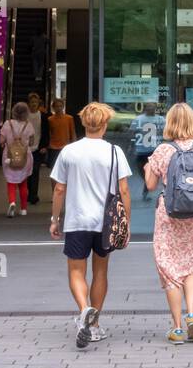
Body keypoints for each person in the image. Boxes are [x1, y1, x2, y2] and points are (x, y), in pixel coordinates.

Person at [48, 102, 131, 348]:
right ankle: (94, 325)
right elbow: (124, 190)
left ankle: (84, 310)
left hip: (77, 221)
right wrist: (125, 223)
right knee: (101, 271)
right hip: (104, 223)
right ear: (105, 124)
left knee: (76, 271)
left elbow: (59, 189)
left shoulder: (69, 152)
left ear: (83, 122)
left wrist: (55, 219)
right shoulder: (115, 152)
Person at [144, 102, 193, 344]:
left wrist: (148, 166)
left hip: (170, 213)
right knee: (190, 264)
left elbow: (150, 185)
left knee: (169, 268)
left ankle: (177, 328)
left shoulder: (163, 151)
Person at [0, 101, 36, 218]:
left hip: (9, 157)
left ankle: (12, 202)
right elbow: (31, 142)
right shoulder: (28, 125)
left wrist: (5, 142)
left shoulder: (7, 123)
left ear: (14, 112)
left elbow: (1, 140)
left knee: (11, 182)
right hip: (24, 157)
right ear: (26, 113)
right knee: (23, 183)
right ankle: (24, 209)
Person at [130, 102, 164, 201]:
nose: (151, 109)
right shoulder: (139, 119)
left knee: (150, 172)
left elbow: (166, 132)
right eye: (149, 107)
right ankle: (147, 185)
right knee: (143, 172)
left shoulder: (160, 120)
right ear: (145, 108)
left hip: (153, 151)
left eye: (153, 107)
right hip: (141, 151)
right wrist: (131, 146)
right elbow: (132, 133)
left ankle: (146, 190)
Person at [44, 97, 76, 177]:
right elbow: (48, 134)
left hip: (65, 147)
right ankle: (54, 188)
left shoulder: (69, 118)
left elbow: (73, 133)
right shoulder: (50, 119)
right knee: (53, 171)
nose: (59, 108)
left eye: (60, 106)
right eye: (56, 106)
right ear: (53, 108)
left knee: (66, 171)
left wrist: (74, 146)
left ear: (63, 107)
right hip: (53, 147)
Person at [25, 92, 47, 206]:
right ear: (28, 103)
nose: (34, 104)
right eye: (32, 102)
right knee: (28, 172)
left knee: (35, 170)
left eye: (36, 102)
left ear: (38, 103)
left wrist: (44, 146)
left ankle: (34, 195)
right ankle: (29, 193)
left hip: (38, 148)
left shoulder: (43, 116)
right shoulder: (25, 116)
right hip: (25, 148)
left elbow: (46, 132)